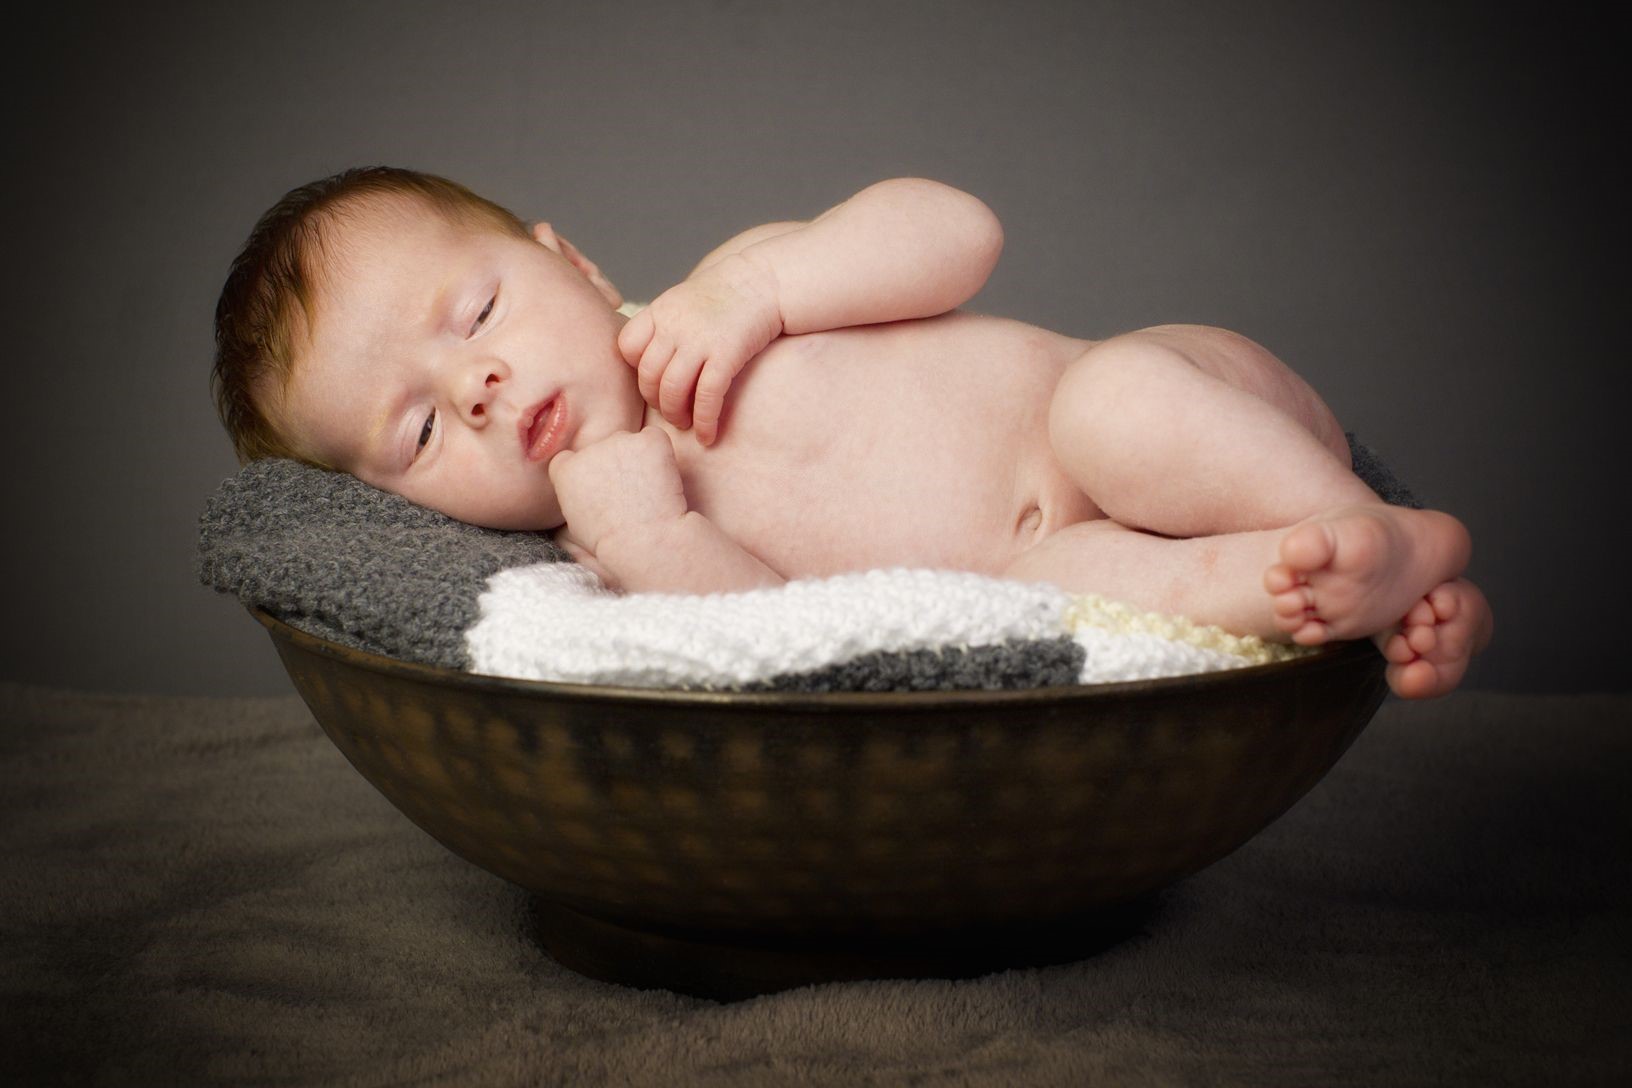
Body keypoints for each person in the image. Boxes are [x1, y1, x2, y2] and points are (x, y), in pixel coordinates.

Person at [212, 167, 1492, 698]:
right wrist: (650, 536)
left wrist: (762, 287)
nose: (480, 385)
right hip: (1048, 558)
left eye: (479, 312)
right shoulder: (605, 553)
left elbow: (959, 232)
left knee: (1115, 411)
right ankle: (1355, 577)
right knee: (1099, 600)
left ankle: (1346, 510)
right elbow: (783, 641)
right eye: (420, 430)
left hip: (1157, 406)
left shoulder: (727, 295)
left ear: (574, 262)